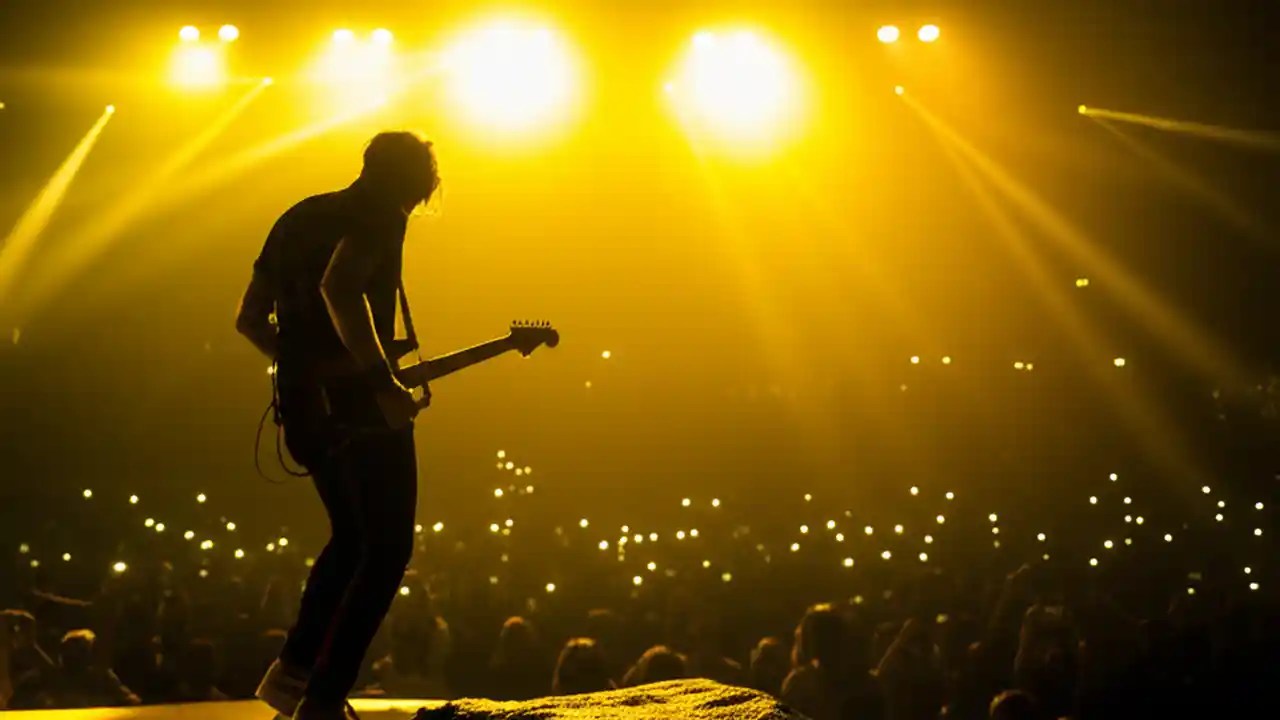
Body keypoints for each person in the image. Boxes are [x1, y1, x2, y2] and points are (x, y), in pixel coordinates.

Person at [237, 132, 441, 720]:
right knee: (388, 546)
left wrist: (307, 375)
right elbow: (340, 286)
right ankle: (322, 699)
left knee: (352, 539)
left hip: (301, 408)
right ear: (417, 179)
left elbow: (249, 319)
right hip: (360, 410)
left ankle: (292, 676)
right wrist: (376, 382)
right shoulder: (382, 213)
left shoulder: (299, 215)